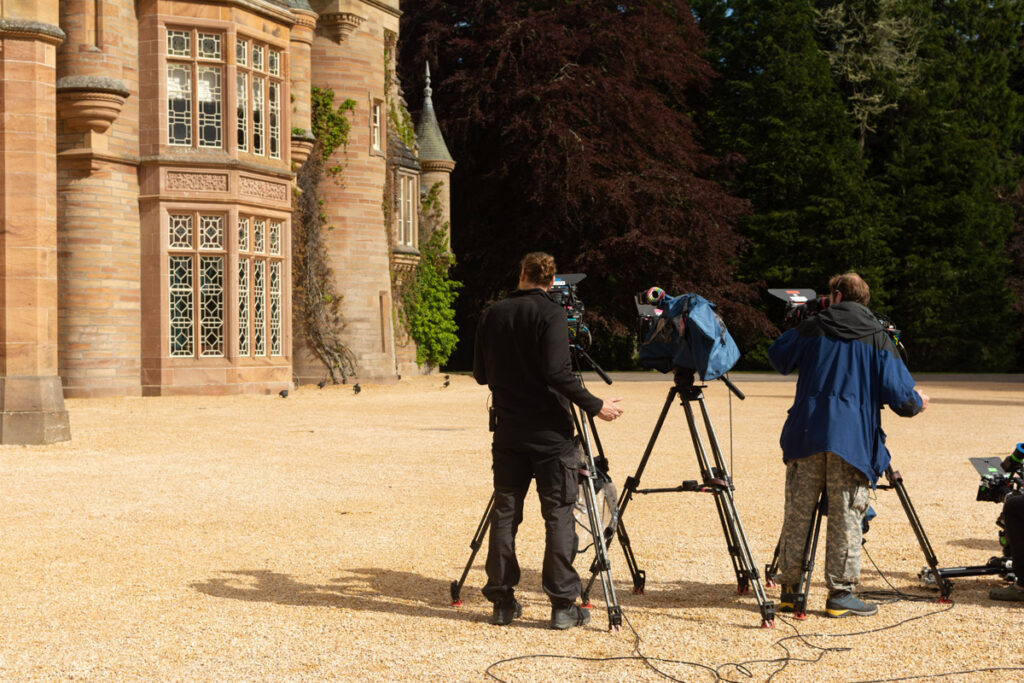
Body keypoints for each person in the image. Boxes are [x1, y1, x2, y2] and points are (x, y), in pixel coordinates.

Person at [473, 252, 623, 629]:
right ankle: (561, 605)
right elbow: (557, 372)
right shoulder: (552, 314)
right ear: (552, 280)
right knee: (557, 512)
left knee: (506, 512)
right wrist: (596, 405)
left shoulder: (493, 313)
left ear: (521, 273)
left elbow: (478, 374)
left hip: (508, 430)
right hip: (551, 435)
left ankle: (502, 601)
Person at [769, 272, 929, 618]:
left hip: (806, 433)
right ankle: (840, 595)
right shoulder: (877, 335)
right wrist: (918, 401)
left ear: (837, 295)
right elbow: (901, 398)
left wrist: (802, 321)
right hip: (852, 440)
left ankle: (789, 591)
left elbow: (778, 357)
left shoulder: (814, 326)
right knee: (846, 514)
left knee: (798, 512)